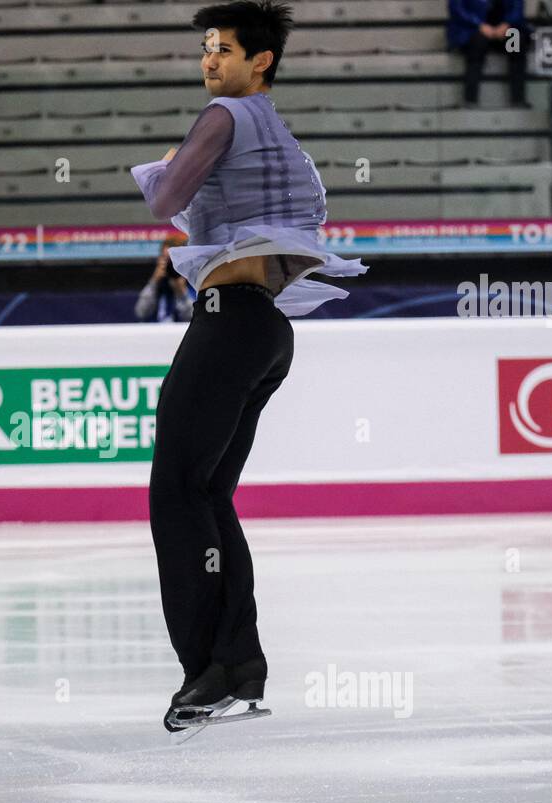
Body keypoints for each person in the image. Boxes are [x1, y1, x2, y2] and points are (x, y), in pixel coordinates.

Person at [131, 0, 366, 735]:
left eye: (223, 49)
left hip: (229, 322)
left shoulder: (227, 118)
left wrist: (168, 165)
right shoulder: (281, 138)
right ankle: (238, 668)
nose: (209, 61)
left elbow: (164, 202)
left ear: (260, 61)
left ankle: (209, 671)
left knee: (176, 491)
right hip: (266, 329)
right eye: (204, 48)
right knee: (208, 494)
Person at [447, 0, 531, 108]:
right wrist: (479, 25)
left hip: (504, 32)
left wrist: (507, 24)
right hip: (473, 31)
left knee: (516, 42)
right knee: (477, 45)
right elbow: (457, 9)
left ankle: (518, 100)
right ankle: (470, 99)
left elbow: (517, 8)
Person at [135, 238, 196, 322]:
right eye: (166, 260)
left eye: (173, 262)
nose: (170, 266)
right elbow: (141, 312)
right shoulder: (157, 286)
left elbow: (193, 318)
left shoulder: (193, 285)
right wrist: (154, 282)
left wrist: (181, 292)